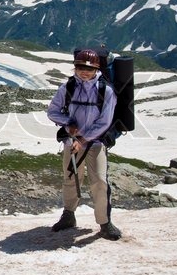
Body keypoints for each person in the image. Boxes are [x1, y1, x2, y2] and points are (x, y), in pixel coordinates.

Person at [47, 49, 122, 241]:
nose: (84, 72)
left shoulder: (106, 91)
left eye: (88, 68)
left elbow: (105, 122)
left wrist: (82, 139)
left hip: (95, 143)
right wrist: (68, 124)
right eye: (80, 67)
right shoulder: (67, 87)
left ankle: (105, 223)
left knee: (99, 181)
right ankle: (68, 215)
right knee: (71, 178)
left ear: (96, 68)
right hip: (71, 142)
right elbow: (52, 111)